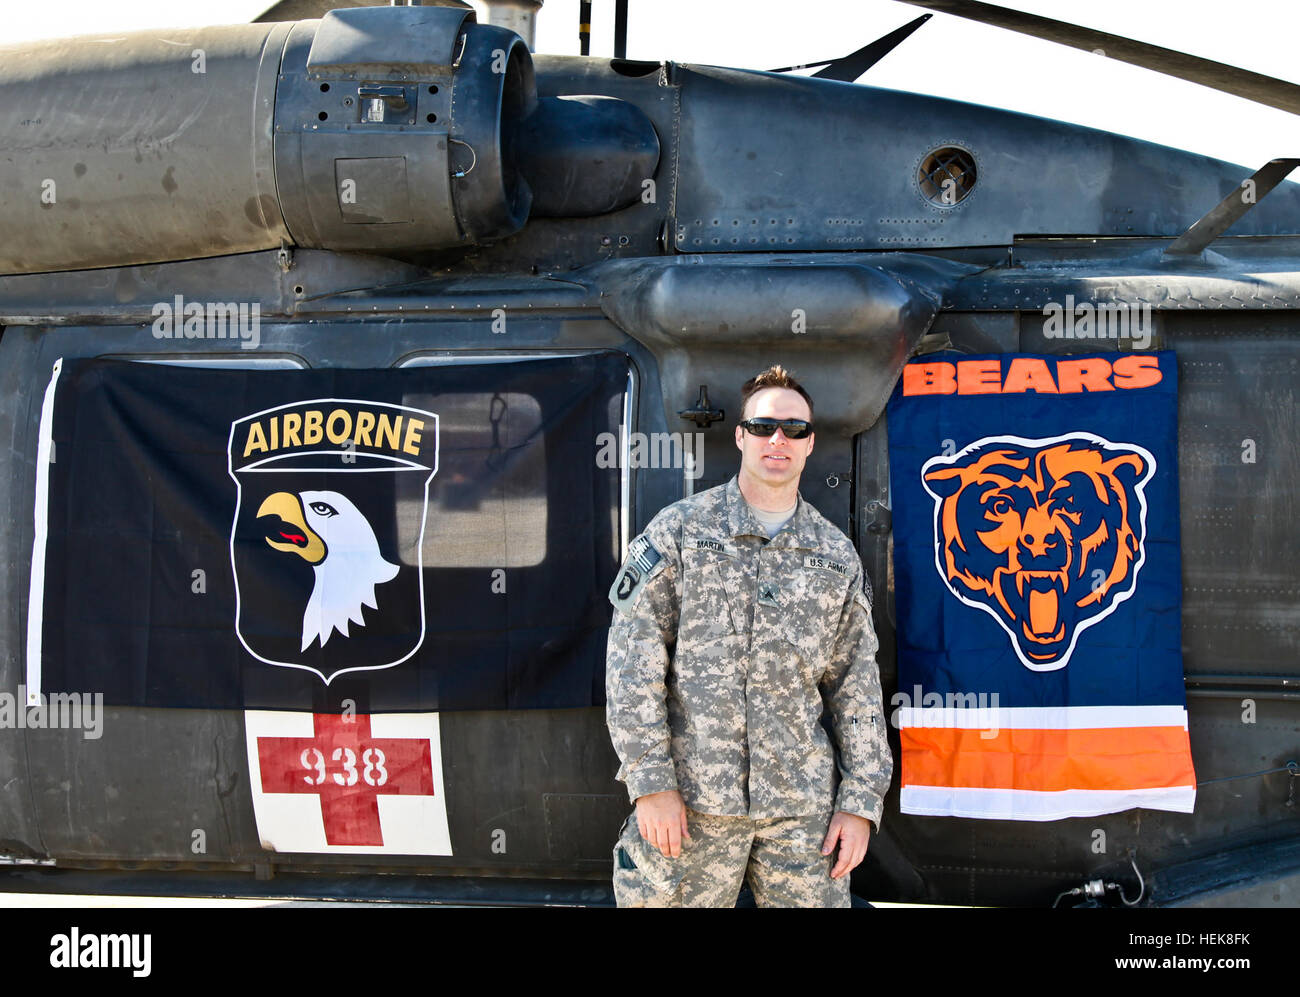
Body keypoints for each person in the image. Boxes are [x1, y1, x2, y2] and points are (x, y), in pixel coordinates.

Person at [605, 364, 892, 907]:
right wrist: (651, 783)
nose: (777, 439)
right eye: (762, 427)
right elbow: (631, 665)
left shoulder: (835, 556)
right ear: (740, 436)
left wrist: (859, 800)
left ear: (809, 444)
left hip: (801, 817)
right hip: (690, 807)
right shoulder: (681, 532)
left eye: (794, 429)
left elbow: (857, 685)